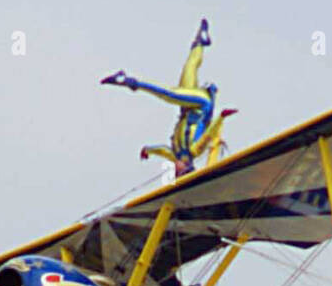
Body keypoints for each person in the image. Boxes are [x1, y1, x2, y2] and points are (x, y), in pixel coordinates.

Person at [100, 19, 236, 175]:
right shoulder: (194, 150)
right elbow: (209, 135)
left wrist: (147, 150)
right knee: (170, 94)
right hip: (201, 104)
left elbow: (162, 150)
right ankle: (131, 82)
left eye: (175, 171)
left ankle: (200, 42)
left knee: (189, 67)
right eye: (179, 171)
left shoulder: (175, 154)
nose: (175, 169)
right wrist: (221, 117)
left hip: (186, 105)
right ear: (186, 167)